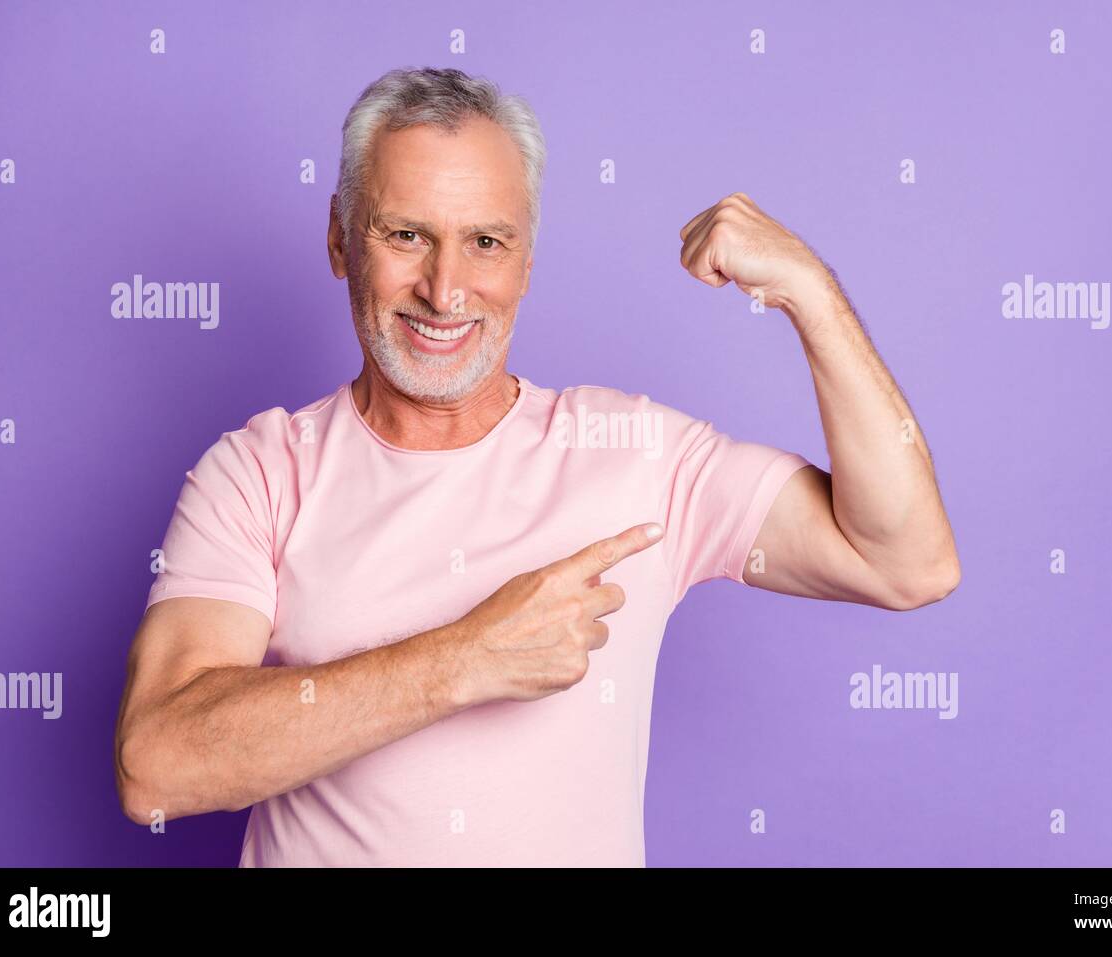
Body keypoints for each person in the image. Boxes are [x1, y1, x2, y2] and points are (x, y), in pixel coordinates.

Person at [113, 66, 960, 866]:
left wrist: (810, 292)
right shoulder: (258, 472)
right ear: (341, 237)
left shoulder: (638, 457)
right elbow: (155, 768)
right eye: (405, 235)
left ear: (526, 261)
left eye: (486, 241)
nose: (445, 290)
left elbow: (906, 562)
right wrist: (463, 659)